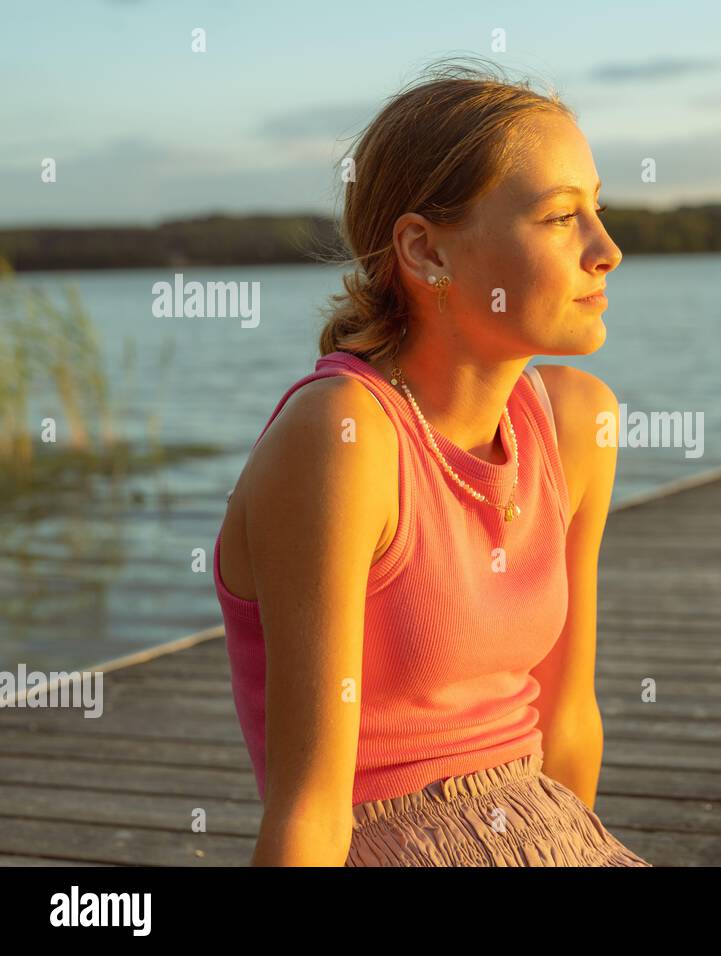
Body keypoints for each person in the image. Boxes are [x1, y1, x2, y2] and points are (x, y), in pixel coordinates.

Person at [212, 58, 649, 866]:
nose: (607, 250)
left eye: (598, 208)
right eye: (561, 217)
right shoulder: (344, 438)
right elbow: (310, 809)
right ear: (425, 250)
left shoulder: (576, 422)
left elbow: (569, 720)